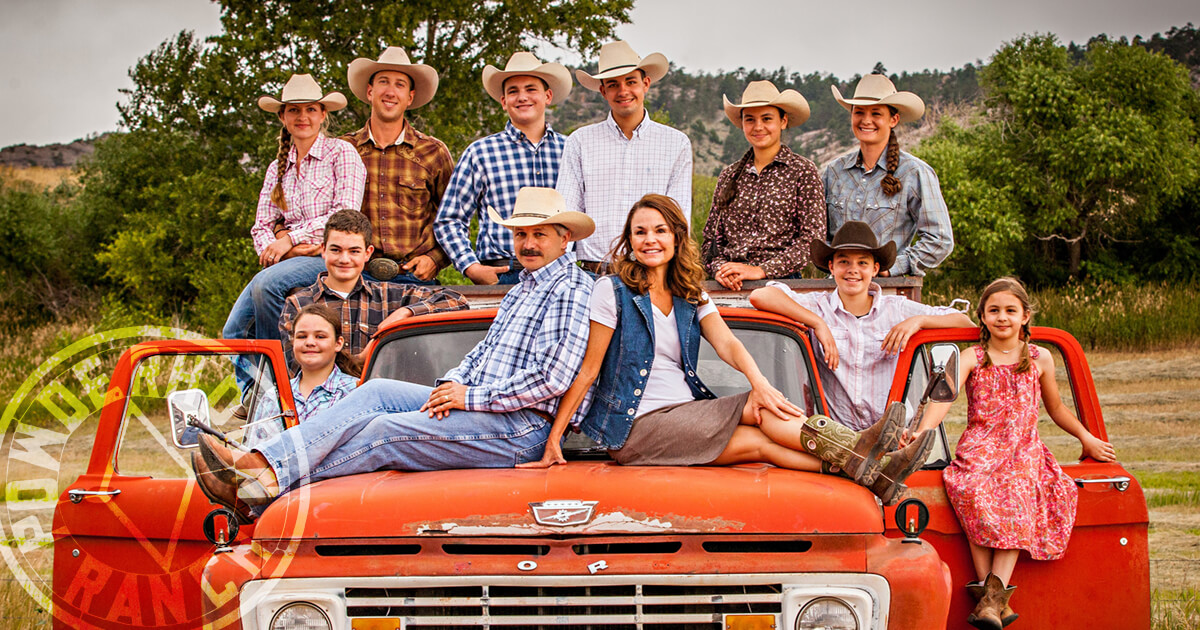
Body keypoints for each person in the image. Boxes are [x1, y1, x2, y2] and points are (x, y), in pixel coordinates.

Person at [191, 188, 596, 524]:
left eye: (539, 234)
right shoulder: (522, 289)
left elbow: (553, 377)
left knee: (383, 430)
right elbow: (481, 353)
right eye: (520, 233)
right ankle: (259, 461)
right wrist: (448, 386)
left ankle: (259, 487)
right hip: (481, 406)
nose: (527, 243)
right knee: (377, 391)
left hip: (520, 426)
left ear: (565, 239)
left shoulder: (573, 289)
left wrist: (467, 398)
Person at [520, 195, 922, 504]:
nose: (650, 240)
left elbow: (727, 342)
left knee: (763, 444)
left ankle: (870, 474)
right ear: (630, 240)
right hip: (635, 427)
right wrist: (555, 439)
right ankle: (859, 448)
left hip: (684, 416)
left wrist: (760, 382)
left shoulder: (689, 292)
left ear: (676, 238)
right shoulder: (611, 291)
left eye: (659, 230)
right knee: (761, 408)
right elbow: (588, 370)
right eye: (640, 232)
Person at [911, 277, 1116, 629]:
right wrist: (921, 432)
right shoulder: (971, 357)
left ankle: (989, 600)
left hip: (1023, 449)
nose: (1002, 317)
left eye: (1010, 310)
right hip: (981, 445)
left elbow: (1057, 408)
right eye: (994, 311)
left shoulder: (1040, 358)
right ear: (982, 317)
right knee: (971, 490)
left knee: (1019, 496)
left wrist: (1086, 437)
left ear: (1025, 316)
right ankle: (994, 604)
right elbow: (944, 399)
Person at [749, 221, 974, 502]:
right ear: (830, 267)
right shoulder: (816, 305)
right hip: (834, 440)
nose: (853, 270)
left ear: (875, 269)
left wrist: (919, 321)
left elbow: (964, 322)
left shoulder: (898, 309)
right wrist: (817, 324)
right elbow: (761, 295)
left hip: (891, 440)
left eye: (862, 262)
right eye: (844, 261)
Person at [223, 73, 366, 397]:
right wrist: (278, 250)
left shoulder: (340, 153)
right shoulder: (278, 168)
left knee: (266, 285)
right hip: (291, 258)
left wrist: (289, 239)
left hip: (328, 255)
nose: (303, 117)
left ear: (323, 114)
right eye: (294, 110)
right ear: (282, 116)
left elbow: (344, 215)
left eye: (311, 110)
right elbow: (261, 224)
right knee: (233, 331)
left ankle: (285, 385)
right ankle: (255, 396)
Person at [435, 52, 572, 285]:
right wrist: (471, 267)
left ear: (547, 96)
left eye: (531, 89)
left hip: (561, 272)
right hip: (503, 273)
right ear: (503, 101)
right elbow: (450, 219)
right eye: (513, 91)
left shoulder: (570, 149)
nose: (522, 97)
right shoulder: (481, 152)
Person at [556, 40, 692, 273]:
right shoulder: (579, 141)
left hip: (651, 272)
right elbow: (566, 214)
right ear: (603, 91)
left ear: (645, 84)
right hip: (592, 272)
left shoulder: (676, 143)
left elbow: (678, 217)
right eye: (613, 84)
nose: (623, 91)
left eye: (631, 81)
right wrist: (563, 273)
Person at [279, 209, 469, 373]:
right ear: (323, 250)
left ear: (368, 253)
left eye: (354, 251)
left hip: (380, 405)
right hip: (320, 405)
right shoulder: (298, 304)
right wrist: (363, 358)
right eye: (336, 250)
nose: (344, 259)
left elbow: (456, 301)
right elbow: (296, 368)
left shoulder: (390, 296)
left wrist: (404, 313)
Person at [342, 47, 455, 284]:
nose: (390, 91)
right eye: (384, 81)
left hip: (413, 276)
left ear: (410, 97)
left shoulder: (433, 152)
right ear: (370, 91)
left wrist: (436, 258)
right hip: (353, 276)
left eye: (400, 84)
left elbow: (454, 218)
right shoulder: (344, 149)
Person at [825, 73, 953, 276]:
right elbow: (822, 234)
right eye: (859, 112)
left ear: (893, 119)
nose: (866, 120)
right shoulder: (834, 172)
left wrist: (893, 267)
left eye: (876, 114)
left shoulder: (914, 172)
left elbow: (940, 238)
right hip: (838, 289)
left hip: (891, 291)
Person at [704, 80, 825, 289]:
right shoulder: (729, 176)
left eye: (766, 118)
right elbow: (710, 241)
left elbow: (812, 241)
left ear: (783, 121)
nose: (758, 126)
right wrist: (720, 270)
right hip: (730, 284)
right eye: (750, 119)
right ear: (742, 124)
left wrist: (761, 270)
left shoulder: (802, 171)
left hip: (782, 284)